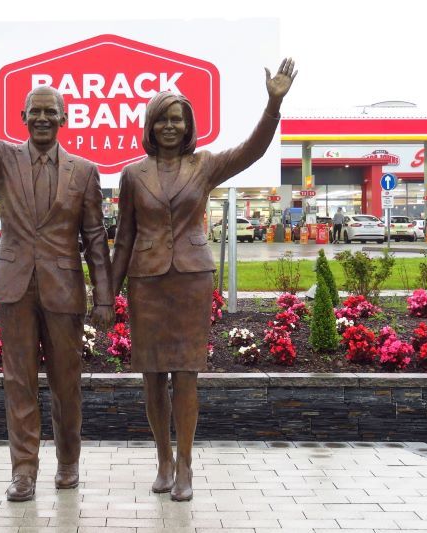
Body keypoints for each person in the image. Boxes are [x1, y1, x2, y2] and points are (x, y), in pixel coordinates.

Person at [112, 59, 296, 501]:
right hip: (146, 282)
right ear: (150, 125)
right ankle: (163, 460)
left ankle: (186, 465)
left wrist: (272, 105)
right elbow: (124, 237)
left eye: (177, 119)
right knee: (152, 377)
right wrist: (106, 293)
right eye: (162, 119)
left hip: (191, 279)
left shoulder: (205, 165)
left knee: (186, 375)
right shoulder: (133, 174)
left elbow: (252, 150)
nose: (169, 126)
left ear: (188, 125)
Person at [0, 33, 114, 502]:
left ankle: (69, 461)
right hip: (15, 287)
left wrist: (104, 297)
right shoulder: (3, 159)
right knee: (18, 383)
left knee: (66, 384)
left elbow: (95, 238)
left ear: (63, 118)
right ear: (22, 117)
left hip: (64, 289)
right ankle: (23, 471)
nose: (41, 117)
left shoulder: (84, 171)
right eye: (34, 111)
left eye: (49, 111)